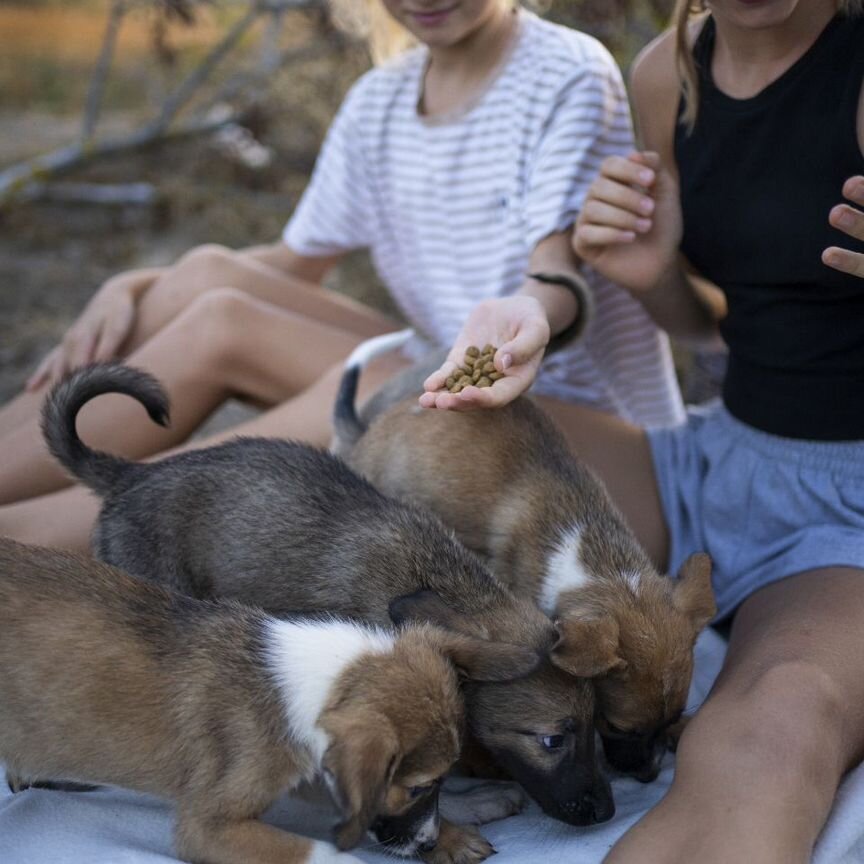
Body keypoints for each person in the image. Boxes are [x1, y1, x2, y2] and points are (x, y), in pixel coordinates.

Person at [422, 0, 864, 861]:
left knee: (777, 716)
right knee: (432, 424)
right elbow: (713, 327)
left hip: (846, 511)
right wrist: (652, 276)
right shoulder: (670, 73)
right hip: (716, 456)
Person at [0, 0, 685, 550]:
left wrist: (520, 324)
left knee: (374, 379)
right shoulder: (379, 102)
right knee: (210, 287)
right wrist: (132, 285)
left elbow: (553, 279)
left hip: (595, 451)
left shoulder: (565, 72)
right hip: (451, 385)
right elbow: (292, 265)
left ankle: (26, 539)